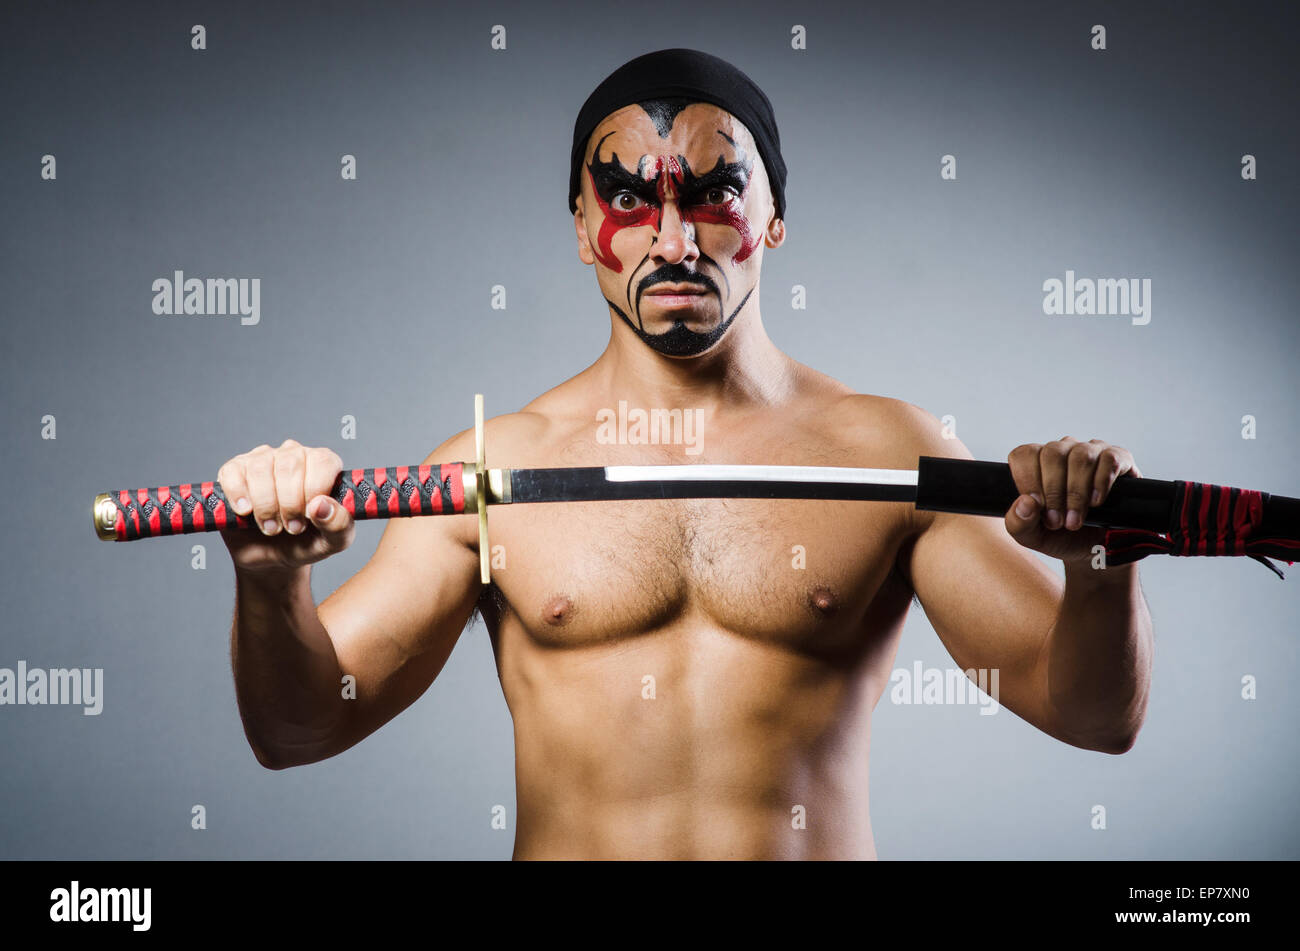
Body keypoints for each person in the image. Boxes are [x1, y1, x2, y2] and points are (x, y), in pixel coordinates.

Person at [218, 49, 1152, 860]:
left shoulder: (892, 454)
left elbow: (1093, 717)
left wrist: (1101, 569)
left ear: (774, 217)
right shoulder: (487, 472)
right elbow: (299, 728)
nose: (671, 239)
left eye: (714, 194)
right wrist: (269, 582)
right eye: (628, 197)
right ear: (584, 228)